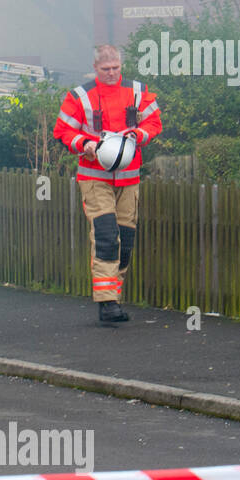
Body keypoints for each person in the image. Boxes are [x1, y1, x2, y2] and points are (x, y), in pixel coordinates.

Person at [53, 44, 162, 324]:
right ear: (95, 68)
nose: (112, 73)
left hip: (129, 177)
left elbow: (154, 122)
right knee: (105, 235)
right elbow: (62, 130)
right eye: (105, 69)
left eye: (115, 68)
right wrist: (85, 144)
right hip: (94, 177)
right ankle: (107, 303)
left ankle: (114, 296)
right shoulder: (80, 96)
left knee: (125, 240)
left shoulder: (138, 90)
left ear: (120, 66)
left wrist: (138, 134)